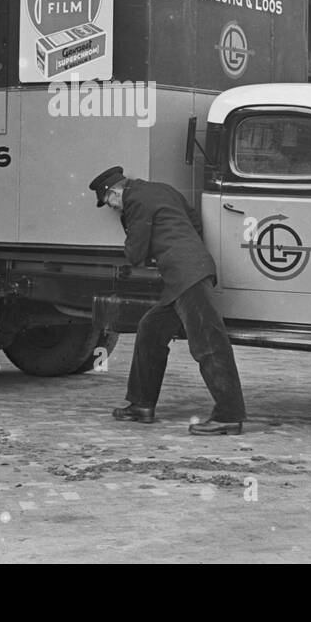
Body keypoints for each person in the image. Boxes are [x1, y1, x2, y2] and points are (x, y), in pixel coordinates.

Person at [88, 165, 247, 435]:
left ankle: (229, 415)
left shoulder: (135, 202)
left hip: (187, 277)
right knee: (150, 330)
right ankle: (141, 405)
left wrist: (142, 241)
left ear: (115, 192)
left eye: (109, 202)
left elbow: (135, 253)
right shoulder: (161, 189)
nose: (113, 208)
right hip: (188, 274)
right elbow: (195, 221)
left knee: (208, 343)